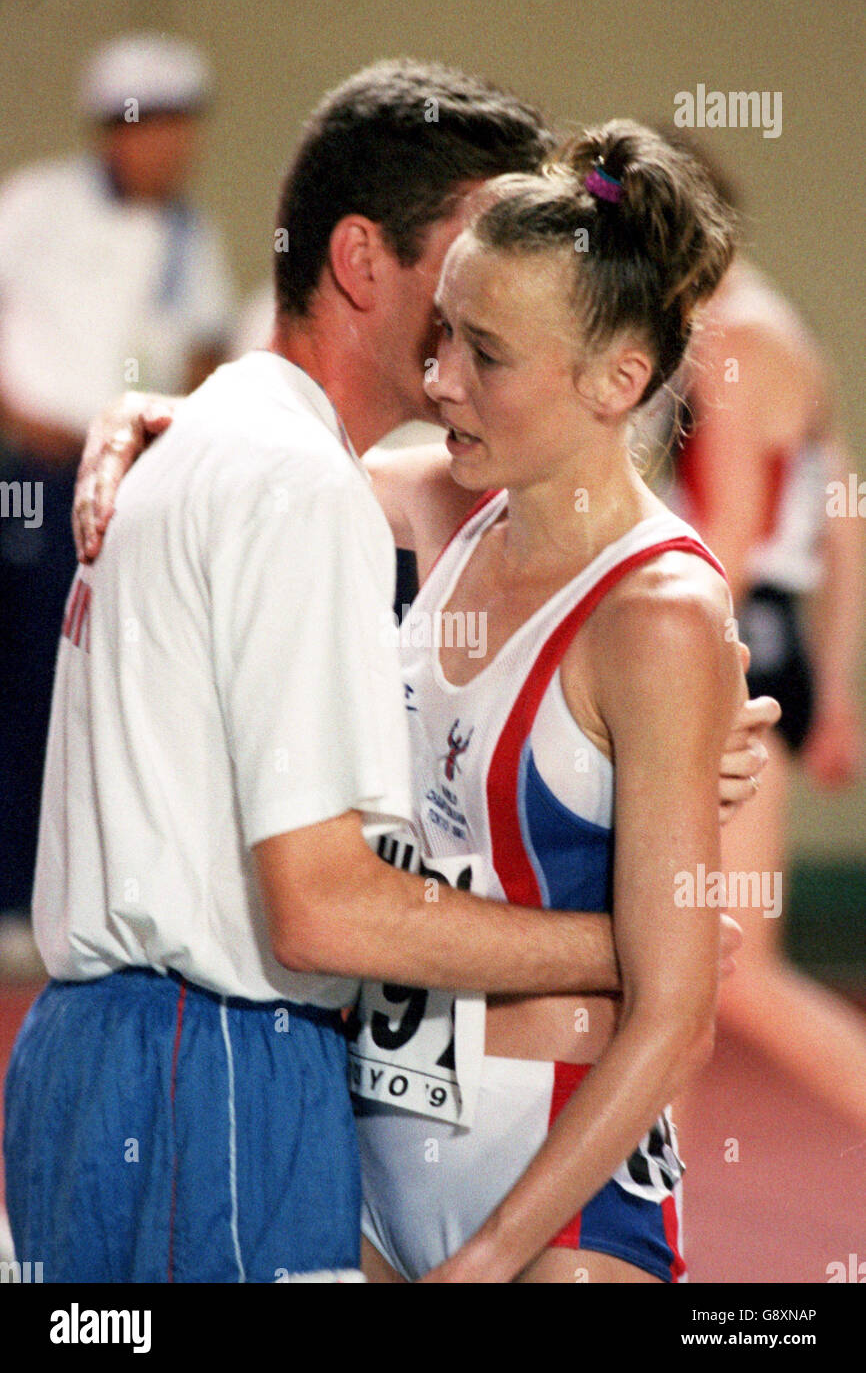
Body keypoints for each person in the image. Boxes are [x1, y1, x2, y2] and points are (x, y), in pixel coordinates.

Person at [61, 65, 775, 1284]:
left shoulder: (660, 613)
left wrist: (490, 1260)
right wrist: (136, 412)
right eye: (441, 329)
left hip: (553, 1191)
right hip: (368, 1156)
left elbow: (677, 1013)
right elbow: (253, 447)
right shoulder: (437, 507)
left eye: (482, 353)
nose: (437, 376)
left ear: (614, 382)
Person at [0, 33, 233, 964]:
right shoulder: (35, 205)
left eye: (180, 126)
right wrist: (29, 421)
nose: (165, 147)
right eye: (145, 126)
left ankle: (75, 893)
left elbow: (209, 350)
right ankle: (11, 896)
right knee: (21, 676)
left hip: (129, 483)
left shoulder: (191, 235)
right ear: (108, 133)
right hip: (29, 473)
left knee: (90, 681)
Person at [657, 140, 866, 1136]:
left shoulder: (729, 340)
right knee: (687, 977)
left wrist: (641, 645)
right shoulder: (782, 326)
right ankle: (645, 1221)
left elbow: (728, 537)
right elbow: (845, 521)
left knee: (725, 974)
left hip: (728, 649)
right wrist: (831, 687)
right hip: (767, 647)